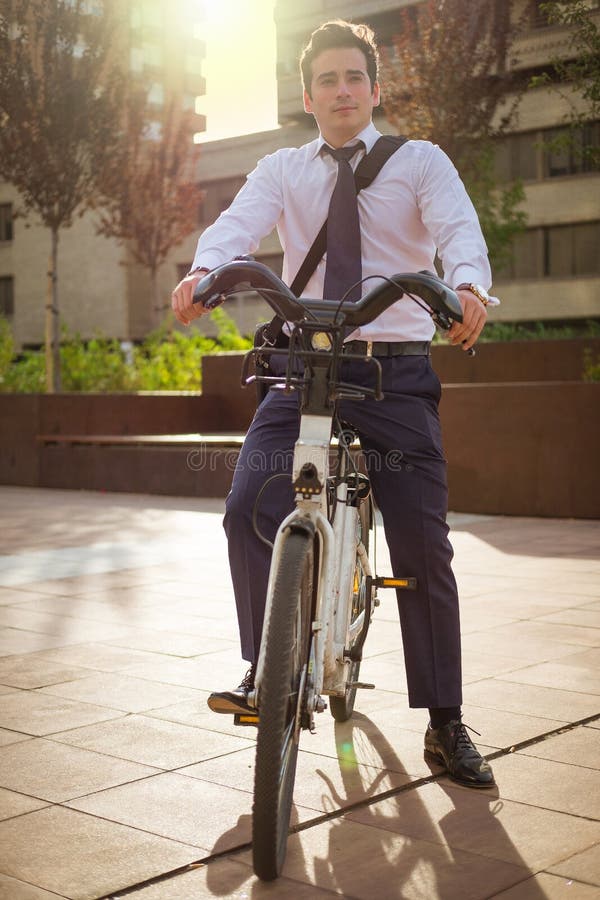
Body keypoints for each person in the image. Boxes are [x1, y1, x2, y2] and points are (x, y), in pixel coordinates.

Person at [172, 20, 496, 789]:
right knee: (247, 504)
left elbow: (458, 230)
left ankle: (445, 722)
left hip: (394, 372)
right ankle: (265, 669)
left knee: (422, 547)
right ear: (309, 95)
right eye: (328, 81)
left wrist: (471, 288)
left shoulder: (419, 161)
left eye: (355, 78)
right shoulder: (284, 169)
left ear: (375, 89)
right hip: (306, 365)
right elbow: (233, 230)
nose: (343, 92)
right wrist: (204, 272)